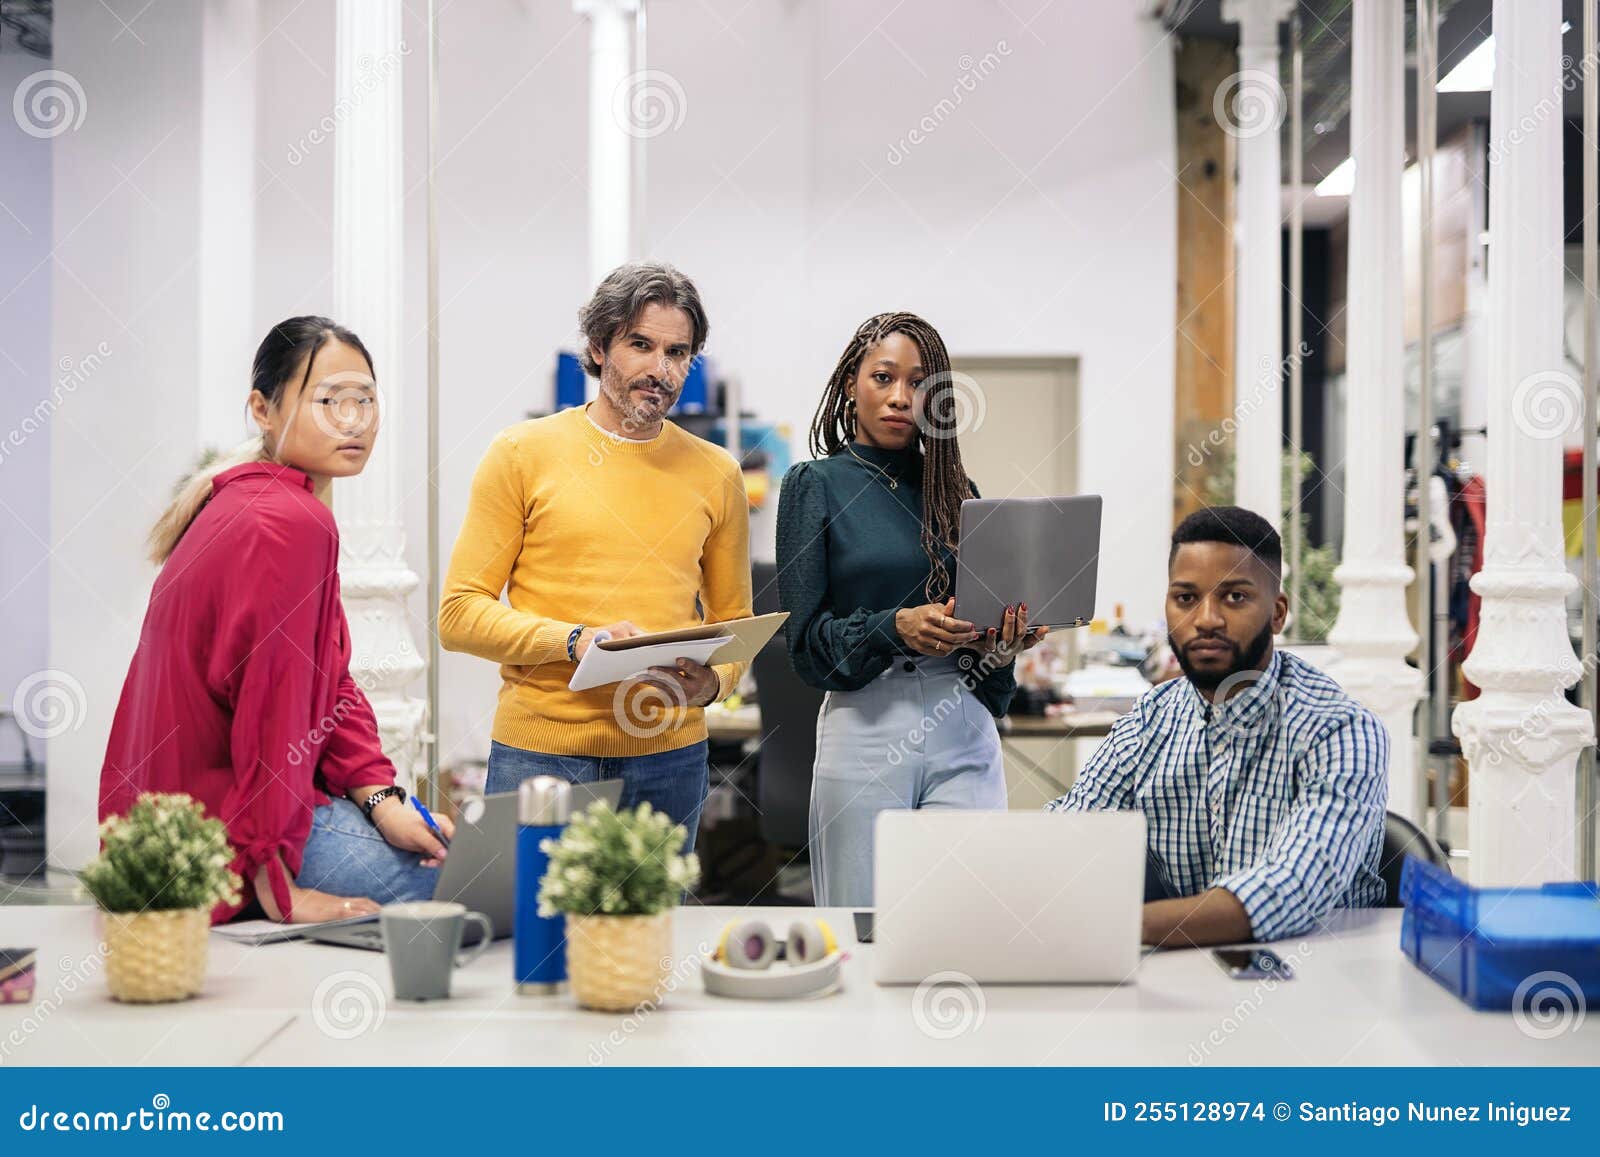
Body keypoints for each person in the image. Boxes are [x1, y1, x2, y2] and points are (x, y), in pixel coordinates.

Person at [100, 317, 451, 925]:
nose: (353, 420)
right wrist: (277, 885)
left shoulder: (255, 500)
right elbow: (273, 715)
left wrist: (384, 799)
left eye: (365, 400)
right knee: (456, 873)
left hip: (164, 841)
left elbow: (327, 684)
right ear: (263, 409)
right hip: (217, 843)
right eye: (328, 401)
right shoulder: (286, 523)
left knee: (439, 843)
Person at [440, 262, 751, 850]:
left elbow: (734, 623)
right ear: (598, 347)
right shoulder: (520, 453)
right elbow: (458, 616)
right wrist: (576, 641)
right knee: (536, 940)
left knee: (652, 940)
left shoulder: (718, 472)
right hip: (543, 754)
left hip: (671, 757)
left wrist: (713, 686)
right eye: (641, 345)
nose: (660, 369)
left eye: (677, 352)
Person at [776, 312, 1047, 906]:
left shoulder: (958, 491)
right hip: (868, 728)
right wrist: (893, 627)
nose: (902, 397)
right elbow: (804, 648)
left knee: (969, 919)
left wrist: (1001, 646)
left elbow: (988, 660)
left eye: (921, 382)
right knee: (864, 928)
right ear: (851, 383)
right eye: (883, 377)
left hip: (964, 724)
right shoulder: (814, 485)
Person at [1048, 505, 1388, 947]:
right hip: (1186, 981)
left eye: (1235, 597)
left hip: (1323, 984)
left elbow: (1291, 888)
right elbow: (1071, 834)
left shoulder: (1341, 730)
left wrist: (1118, 926)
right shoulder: (1152, 718)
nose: (1206, 619)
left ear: (1278, 612)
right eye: (1186, 598)